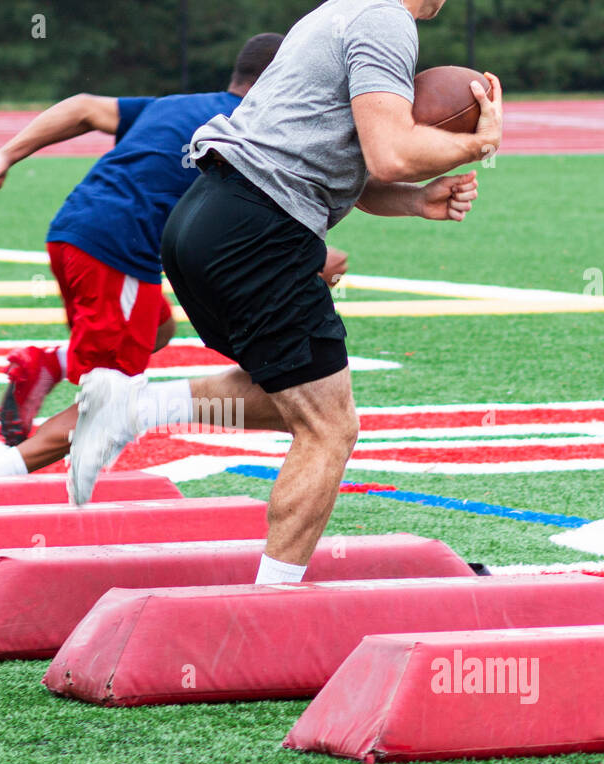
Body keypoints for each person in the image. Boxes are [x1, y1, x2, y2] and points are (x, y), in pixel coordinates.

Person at [66, 0, 503, 586]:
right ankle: (271, 603)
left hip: (203, 220)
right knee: (329, 428)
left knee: (295, 391)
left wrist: (417, 201)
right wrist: (480, 142)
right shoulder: (385, 20)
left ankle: (132, 408)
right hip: (258, 233)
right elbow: (392, 153)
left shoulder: (336, 13)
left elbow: (349, 164)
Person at [0, 32, 350, 477]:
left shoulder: (179, 105)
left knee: (157, 328)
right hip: (116, 251)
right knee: (113, 402)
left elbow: (83, 107)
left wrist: (5, 154)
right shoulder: (249, 129)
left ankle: (49, 363)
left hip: (77, 231)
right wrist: (304, 260)